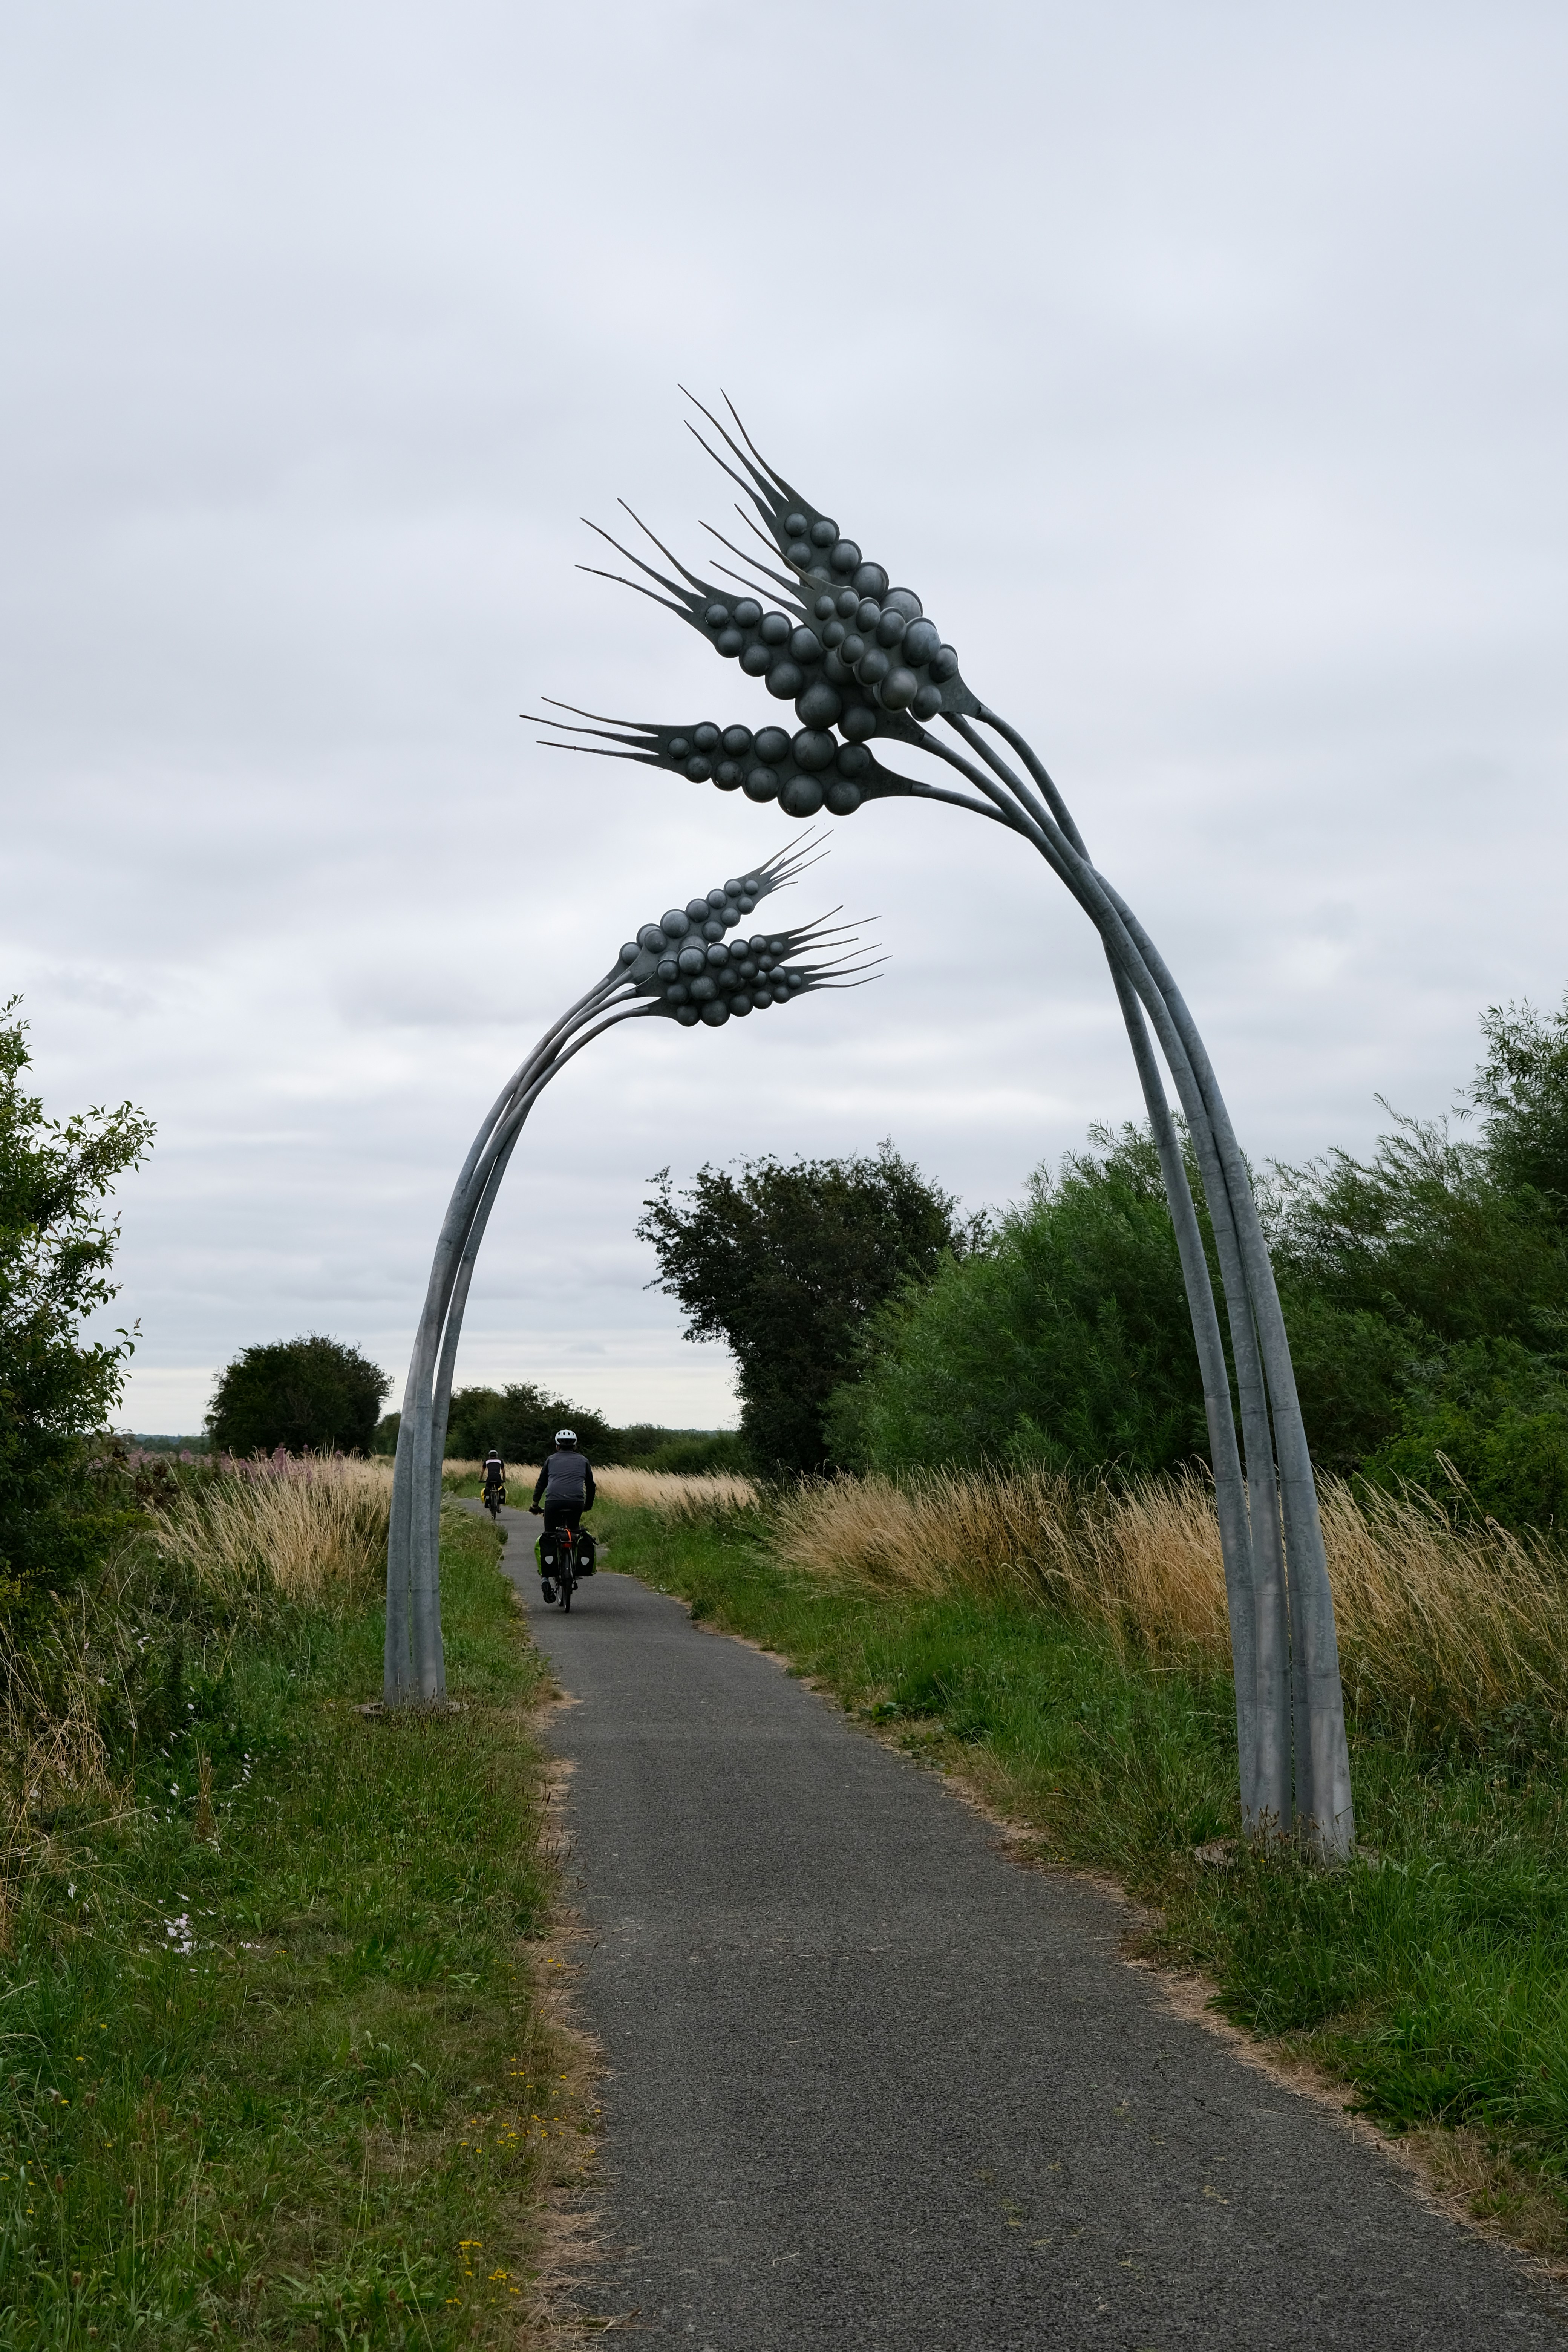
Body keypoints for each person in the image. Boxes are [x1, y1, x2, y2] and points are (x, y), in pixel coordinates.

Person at [531, 1427, 595, 1601]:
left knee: (549, 1536)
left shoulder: (551, 1460)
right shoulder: (583, 1460)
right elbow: (591, 1485)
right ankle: (573, 1567)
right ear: (575, 1446)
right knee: (574, 1532)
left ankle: (546, 1579)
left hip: (553, 1503)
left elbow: (541, 1484)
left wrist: (535, 1505)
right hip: (576, 1503)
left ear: (557, 1446)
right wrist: (587, 1505)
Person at [481, 1451, 506, 1519]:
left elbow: (483, 1471)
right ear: (497, 1455)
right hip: (498, 1478)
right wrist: (504, 1480)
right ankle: (499, 1507)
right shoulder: (500, 1461)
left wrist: (480, 1479)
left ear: (490, 1456)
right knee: (500, 1489)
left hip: (490, 1478)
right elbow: (503, 1471)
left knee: (488, 1488)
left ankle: (488, 1501)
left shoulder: (487, 1461)